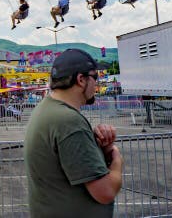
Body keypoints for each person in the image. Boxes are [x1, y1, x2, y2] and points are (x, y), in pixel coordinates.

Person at [24, 49, 123, 217]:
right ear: (81, 80)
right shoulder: (68, 122)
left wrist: (99, 147)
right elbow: (105, 192)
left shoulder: (46, 110)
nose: (96, 85)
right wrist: (116, 158)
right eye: (95, 78)